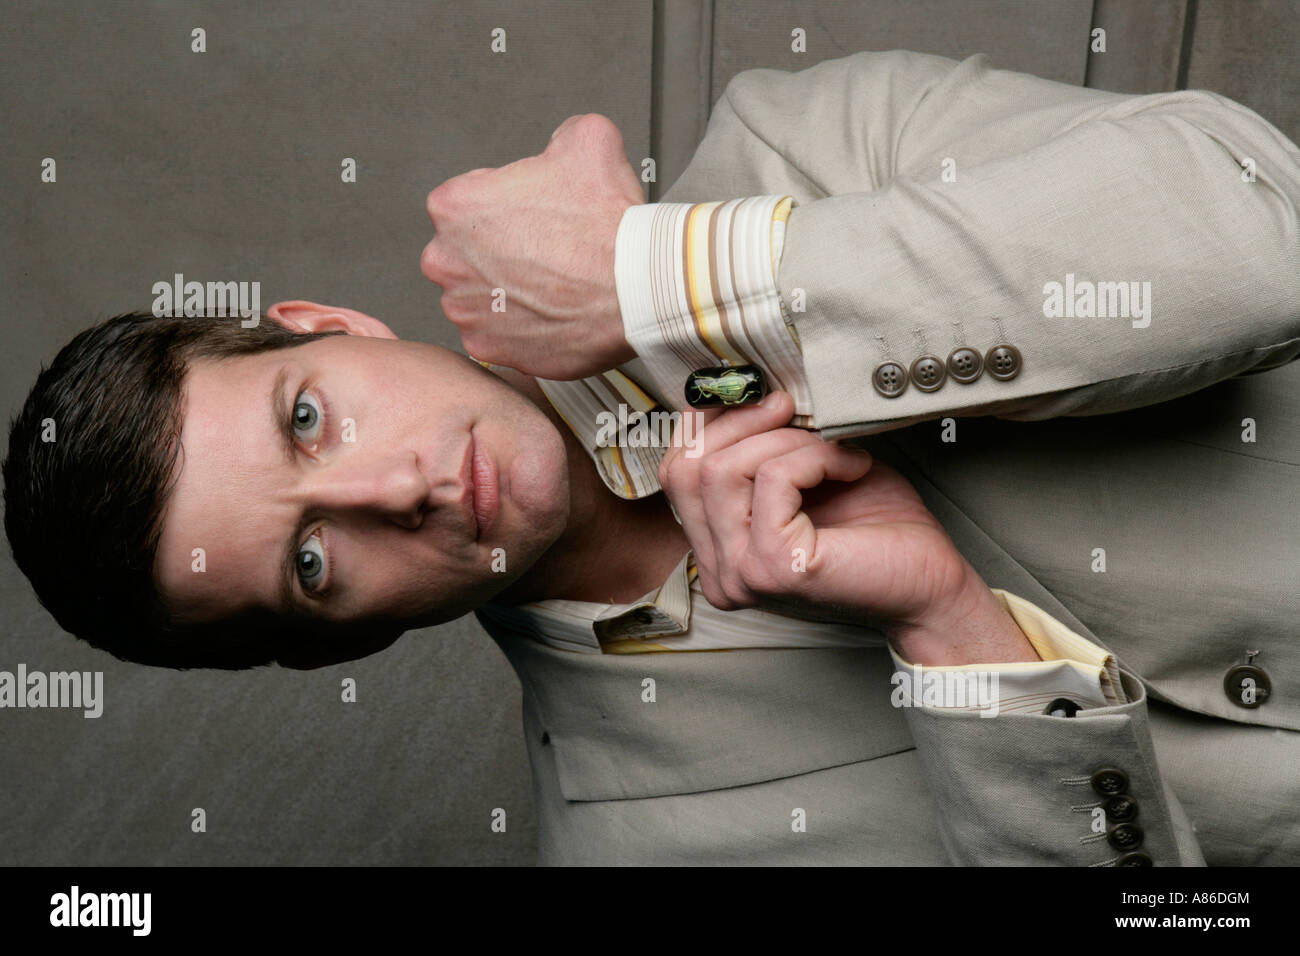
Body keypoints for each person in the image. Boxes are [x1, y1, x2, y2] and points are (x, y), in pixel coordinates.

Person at [4, 50, 1296, 864]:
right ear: (338, 644)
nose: (393, 489)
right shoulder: (636, 850)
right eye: (310, 559)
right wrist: (955, 637)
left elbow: (1263, 230)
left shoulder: (796, 154)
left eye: (306, 419)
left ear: (325, 326)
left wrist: (666, 287)